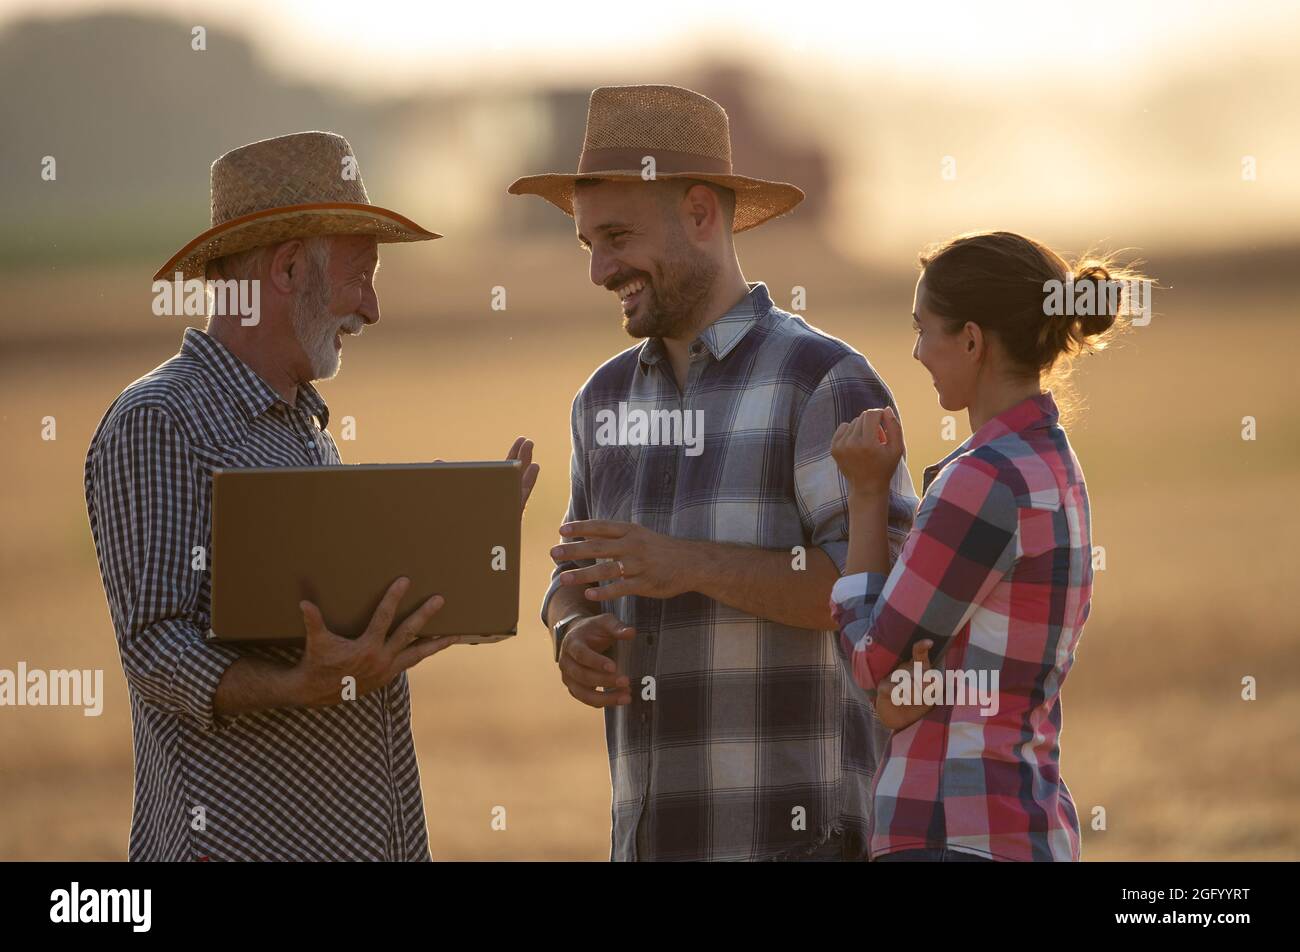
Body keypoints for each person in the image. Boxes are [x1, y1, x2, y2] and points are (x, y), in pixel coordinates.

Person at [84, 131, 539, 861]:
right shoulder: (159, 419)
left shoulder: (302, 426)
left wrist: (458, 540)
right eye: (362, 276)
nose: (373, 308)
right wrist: (300, 684)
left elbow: (342, 617)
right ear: (290, 268)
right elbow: (153, 649)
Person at [510, 85, 917, 861]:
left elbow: (877, 607)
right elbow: (575, 577)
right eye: (588, 243)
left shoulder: (821, 381)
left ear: (700, 214)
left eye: (617, 237)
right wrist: (569, 631)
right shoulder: (600, 402)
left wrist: (687, 565)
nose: (599, 269)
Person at [830, 230, 1142, 861]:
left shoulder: (983, 480)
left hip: (952, 829)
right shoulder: (1053, 464)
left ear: (972, 341)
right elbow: (901, 684)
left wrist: (866, 495)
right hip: (1023, 822)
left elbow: (872, 662)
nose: (916, 351)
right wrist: (899, 692)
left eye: (923, 329)